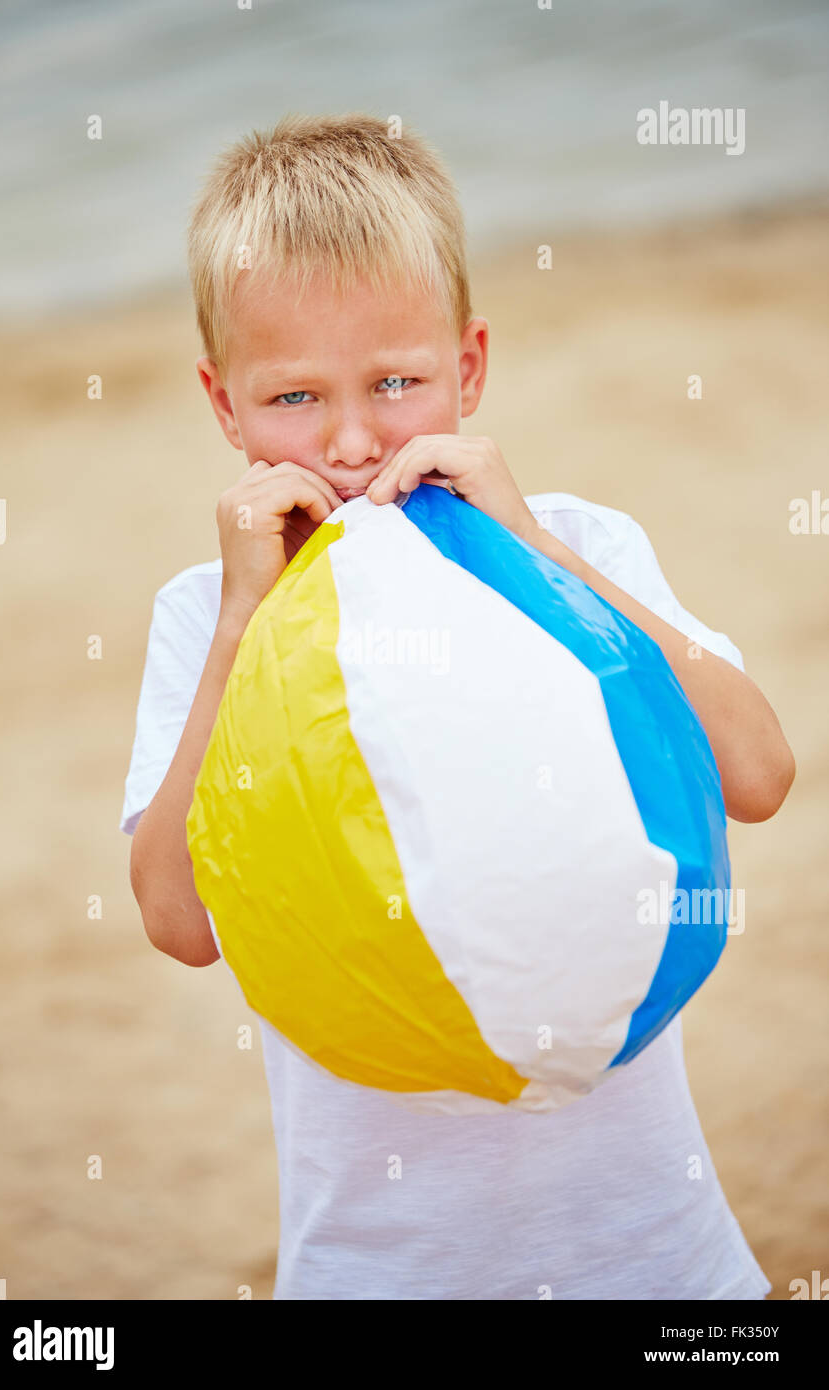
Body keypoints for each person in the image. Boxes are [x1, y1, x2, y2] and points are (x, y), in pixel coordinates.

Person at [121, 113, 794, 1300]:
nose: (346, 439)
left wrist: (530, 543)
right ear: (222, 404)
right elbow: (182, 922)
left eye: (396, 383)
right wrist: (242, 617)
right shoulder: (204, 614)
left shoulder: (580, 542)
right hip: (378, 1271)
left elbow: (756, 773)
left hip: (659, 1266)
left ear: (467, 368)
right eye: (291, 398)